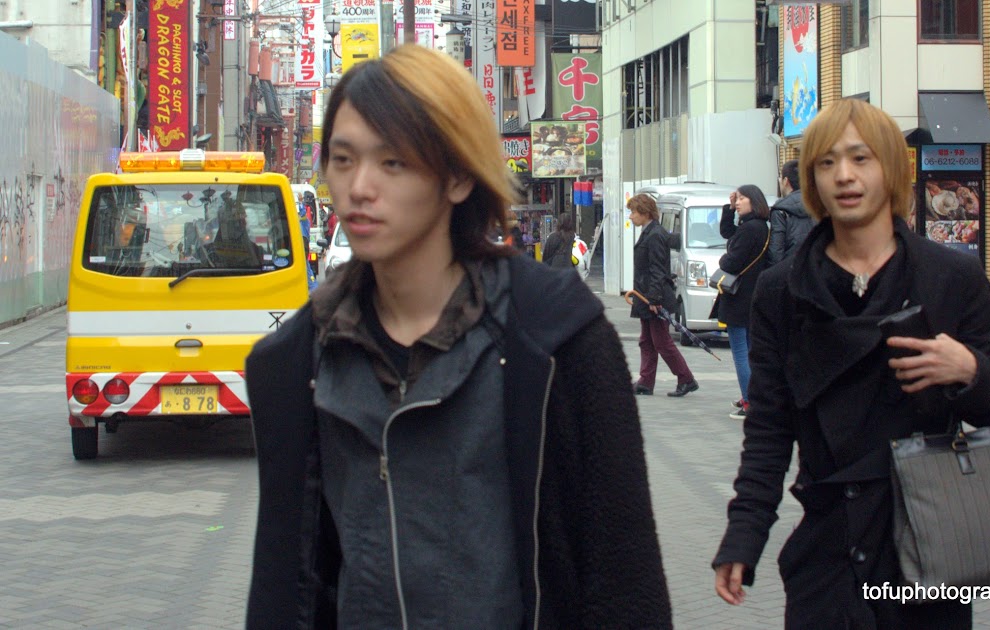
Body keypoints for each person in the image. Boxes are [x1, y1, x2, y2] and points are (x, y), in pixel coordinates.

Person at [244, 45, 671, 629]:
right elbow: (284, 580)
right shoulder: (299, 359)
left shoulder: (555, 338)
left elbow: (625, 576)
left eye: (392, 162)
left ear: (458, 175)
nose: (359, 187)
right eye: (342, 160)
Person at [712, 99, 990, 628]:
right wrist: (745, 533)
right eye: (826, 163)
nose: (844, 176)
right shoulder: (783, 290)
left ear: (892, 169)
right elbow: (769, 426)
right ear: (811, 180)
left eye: (860, 158)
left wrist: (969, 369)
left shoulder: (951, 278)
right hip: (827, 549)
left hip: (924, 548)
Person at [628, 192, 698, 398]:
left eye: (633, 212)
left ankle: (686, 378)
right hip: (645, 295)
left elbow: (657, 269)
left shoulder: (656, 234)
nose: (631, 216)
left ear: (644, 212)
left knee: (661, 341)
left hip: (654, 296)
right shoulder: (649, 231)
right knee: (646, 340)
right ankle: (646, 381)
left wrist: (655, 299)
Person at [715, 185, 771, 419]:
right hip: (751, 296)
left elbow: (731, 263)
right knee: (749, 350)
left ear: (755, 201)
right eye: (736, 199)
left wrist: (723, 258)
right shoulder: (756, 227)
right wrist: (728, 210)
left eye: (742, 199)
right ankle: (750, 396)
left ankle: (750, 401)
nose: (738, 203)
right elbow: (727, 232)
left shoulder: (751, 229)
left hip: (740, 297)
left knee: (741, 351)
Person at [767, 159, 815, 267]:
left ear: (785, 181)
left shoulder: (780, 210)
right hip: (818, 272)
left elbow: (776, 252)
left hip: (791, 272)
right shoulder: (820, 204)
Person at [202, 202, 261, 268]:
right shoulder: (208, 253)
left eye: (242, 219)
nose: (244, 223)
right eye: (235, 221)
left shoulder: (256, 250)